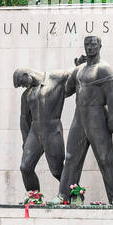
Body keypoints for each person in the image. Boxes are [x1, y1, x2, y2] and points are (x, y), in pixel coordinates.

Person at [58, 36, 113, 205]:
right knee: (71, 157)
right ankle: (64, 196)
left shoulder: (104, 69)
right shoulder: (79, 69)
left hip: (97, 116)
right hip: (79, 117)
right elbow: (66, 91)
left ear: (100, 46)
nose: (89, 47)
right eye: (87, 44)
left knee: (105, 158)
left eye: (93, 44)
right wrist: (72, 70)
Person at [13, 67, 74, 195]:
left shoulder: (55, 78)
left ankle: (75, 193)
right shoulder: (26, 95)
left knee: (57, 170)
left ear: (26, 74)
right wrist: (25, 141)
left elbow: (73, 73)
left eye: (22, 83)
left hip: (52, 130)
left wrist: (81, 64)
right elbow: (24, 119)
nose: (23, 87)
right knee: (25, 168)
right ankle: (34, 197)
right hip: (34, 133)